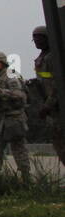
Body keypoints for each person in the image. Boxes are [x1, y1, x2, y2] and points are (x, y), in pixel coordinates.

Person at [0, 51, 31, 176]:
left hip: (14, 118)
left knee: (18, 149)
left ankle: (26, 177)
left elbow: (20, 95)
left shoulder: (11, 76)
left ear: (2, 62)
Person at [31, 26, 65, 164]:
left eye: (40, 38)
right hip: (49, 108)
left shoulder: (53, 57)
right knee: (59, 144)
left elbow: (57, 83)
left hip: (56, 105)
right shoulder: (40, 59)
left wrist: (48, 104)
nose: (37, 41)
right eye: (34, 39)